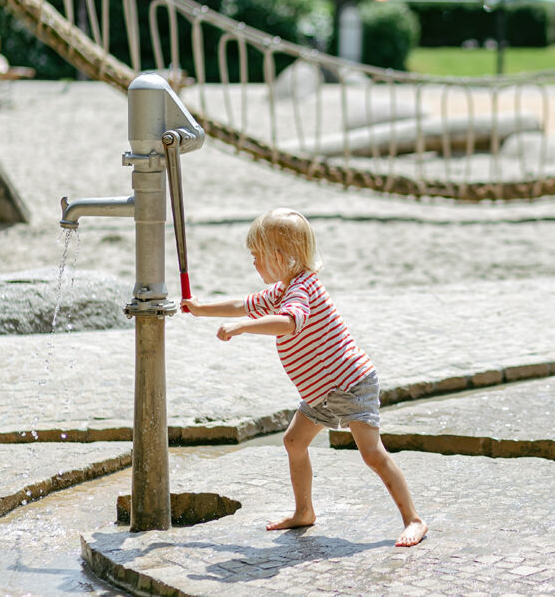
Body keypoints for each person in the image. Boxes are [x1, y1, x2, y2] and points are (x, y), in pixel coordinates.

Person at [181, 208, 428, 547]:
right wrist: (201, 308)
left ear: (280, 257)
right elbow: (243, 304)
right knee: (293, 442)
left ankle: (413, 519)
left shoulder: (302, 290)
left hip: (350, 385)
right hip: (321, 393)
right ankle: (304, 512)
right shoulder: (283, 289)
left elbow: (289, 323)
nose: (253, 264)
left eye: (257, 256)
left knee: (372, 454)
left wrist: (243, 329)